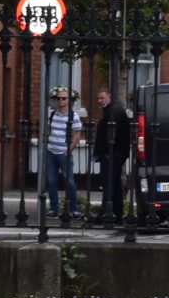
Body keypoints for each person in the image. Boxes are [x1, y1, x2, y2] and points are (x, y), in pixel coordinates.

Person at [91, 87, 134, 221]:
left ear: (109, 97)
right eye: (98, 98)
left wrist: (107, 151)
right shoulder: (113, 110)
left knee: (109, 183)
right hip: (118, 152)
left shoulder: (112, 112)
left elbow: (111, 134)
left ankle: (105, 212)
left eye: (102, 97)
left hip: (113, 153)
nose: (99, 101)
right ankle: (117, 212)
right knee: (114, 183)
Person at [41, 87, 82, 224]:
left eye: (63, 98)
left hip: (64, 153)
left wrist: (69, 150)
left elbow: (77, 133)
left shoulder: (73, 116)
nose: (60, 101)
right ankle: (54, 209)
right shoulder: (52, 115)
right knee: (52, 181)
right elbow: (49, 130)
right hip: (51, 152)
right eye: (58, 98)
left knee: (69, 181)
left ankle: (73, 209)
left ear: (69, 100)